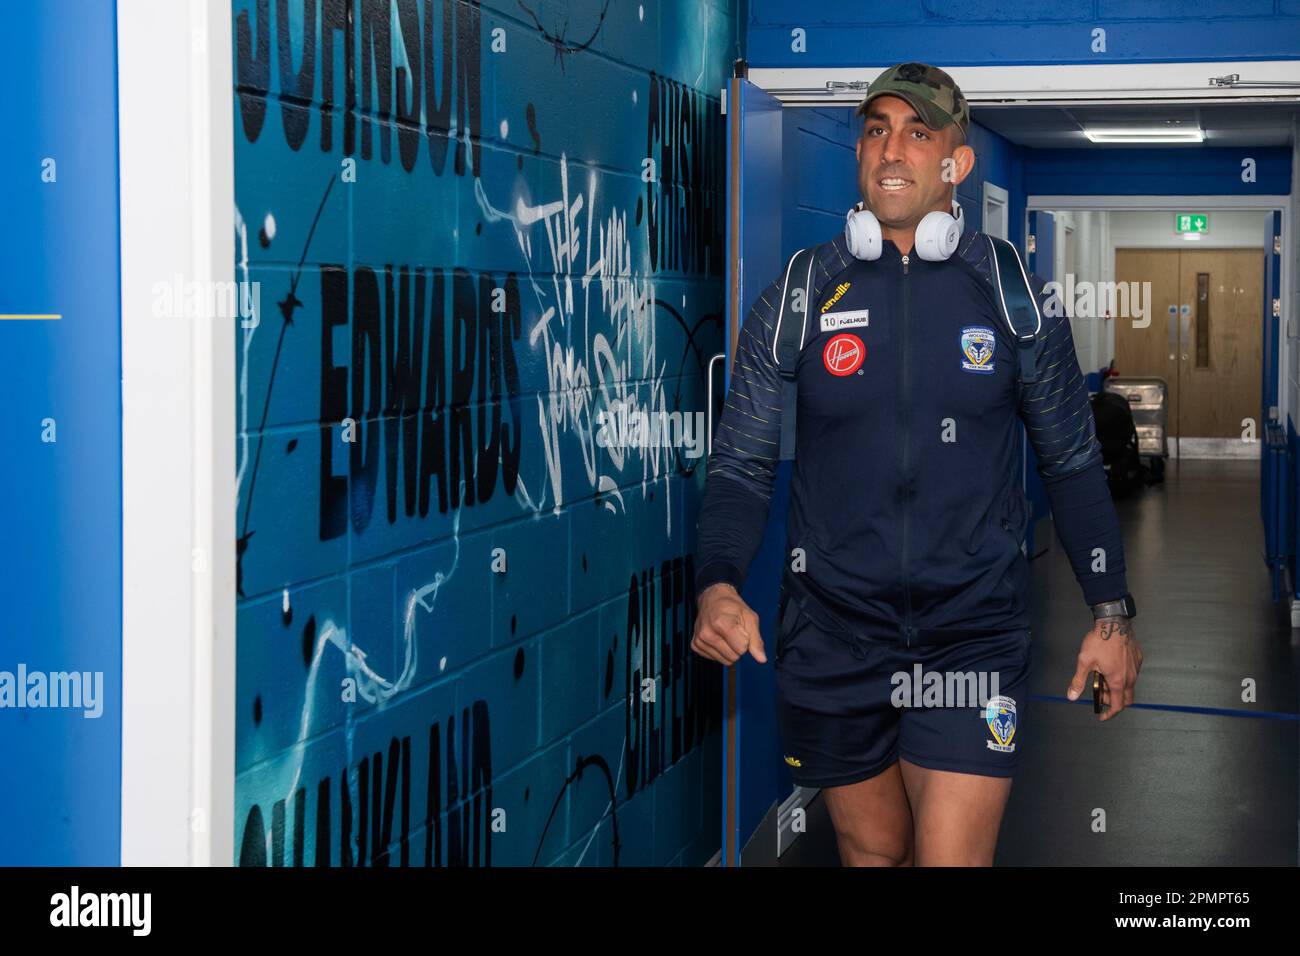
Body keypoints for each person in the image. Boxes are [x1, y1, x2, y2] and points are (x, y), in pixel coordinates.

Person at [690, 62, 1144, 866]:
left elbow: (1072, 461)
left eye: (918, 132)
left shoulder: (1011, 295)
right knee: (875, 852)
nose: (891, 149)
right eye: (876, 130)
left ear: (955, 164)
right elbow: (740, 464)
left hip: (970, 636)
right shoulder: (797, 296)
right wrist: (719, 583)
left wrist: (1111, 613)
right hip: (831, 637)